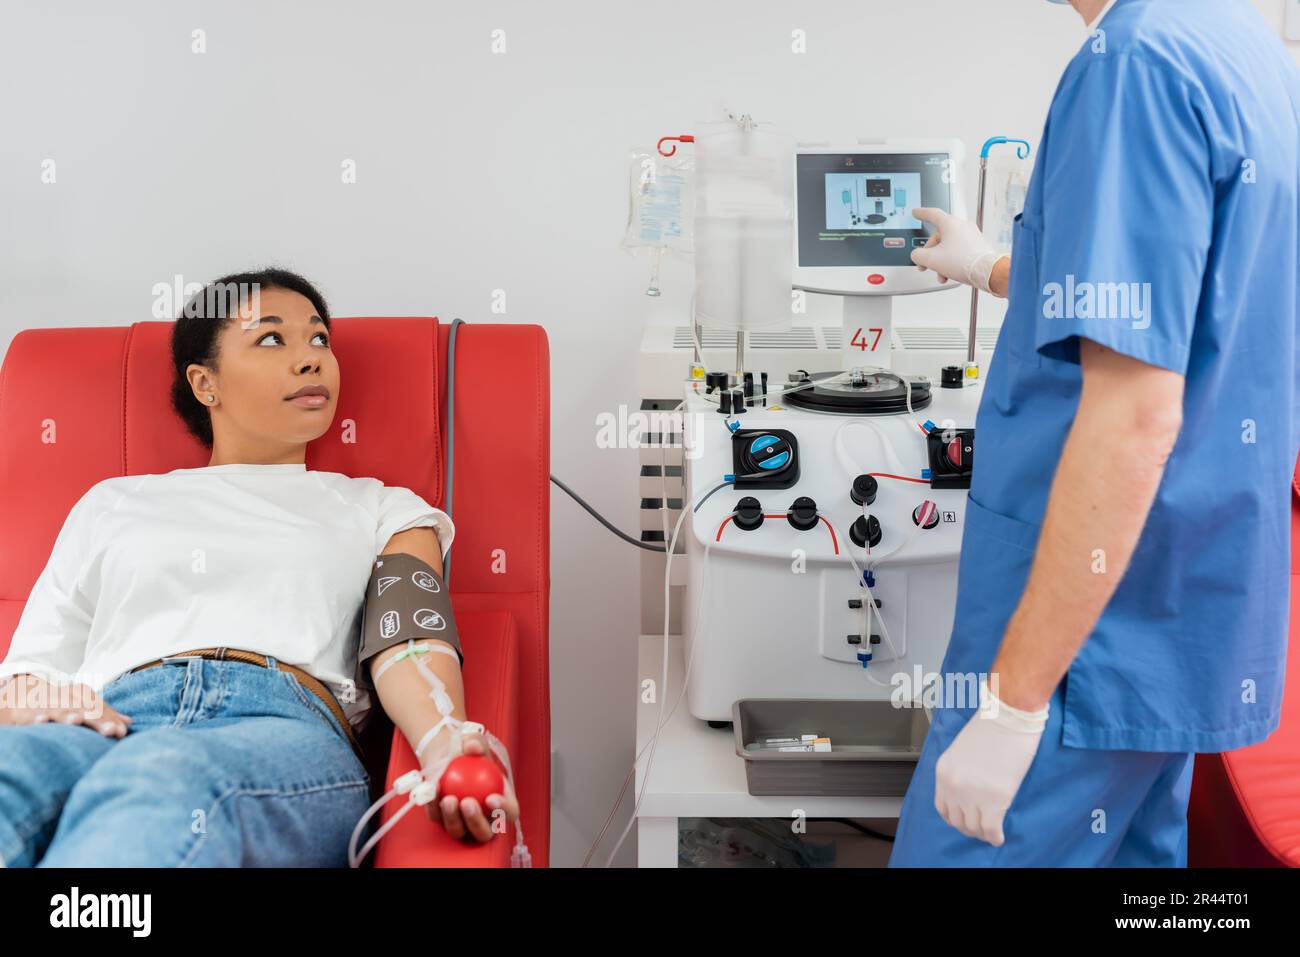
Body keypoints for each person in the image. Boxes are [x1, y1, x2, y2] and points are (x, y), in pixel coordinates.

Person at [889, 0, 1300, 866]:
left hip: (1086, 648)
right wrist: (994, 266)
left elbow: (1134, 416)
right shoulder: (1234, 40)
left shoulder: (1133, 64)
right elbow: (1178, 302)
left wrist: (1013, 705)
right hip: (1175, 614)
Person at [0, 268, 518, 866]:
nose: (310, 360)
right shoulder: (111, 503)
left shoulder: (383, 509)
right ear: (205, 383)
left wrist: (443, 739)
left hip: (277, 727)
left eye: (319, 340)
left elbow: (410, 645)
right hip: (107, 719)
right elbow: (26, 675)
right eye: (272, 339)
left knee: (160, 779)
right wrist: (48, 702)